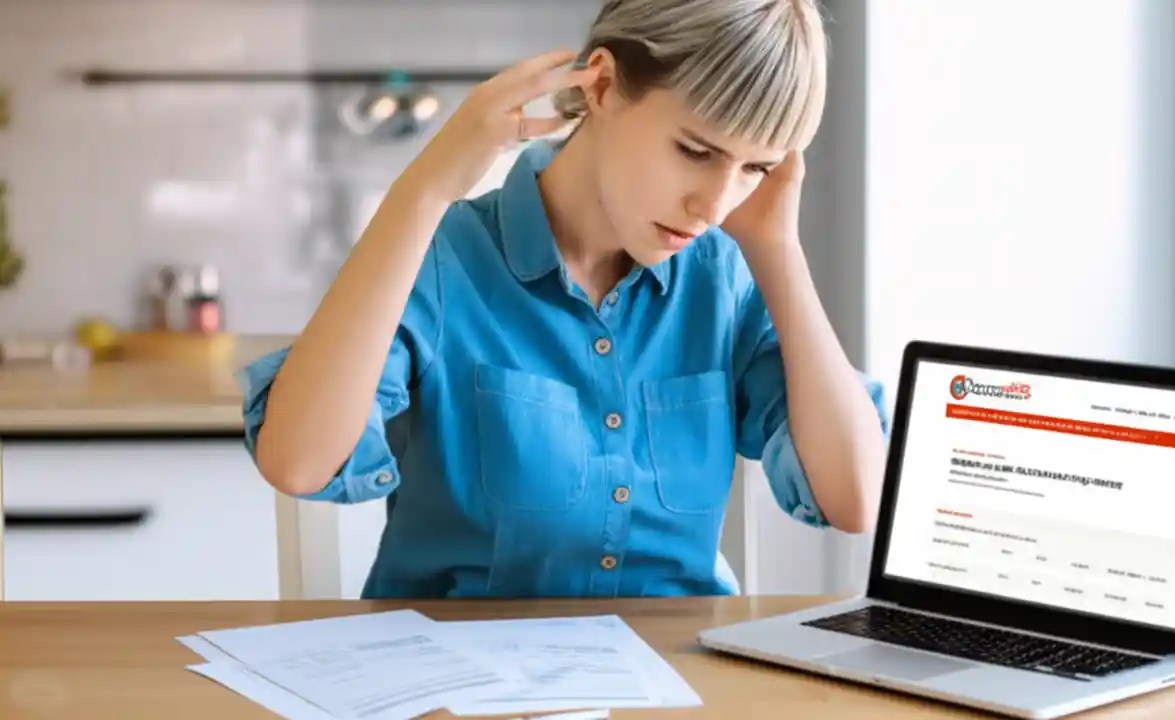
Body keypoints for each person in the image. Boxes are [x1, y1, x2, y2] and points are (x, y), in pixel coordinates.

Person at [237, 0, 890, 600]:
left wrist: (778, 249)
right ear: (601, 85)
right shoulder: (447, 257)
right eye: (695, 150)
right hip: (468, 681)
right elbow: (298, 464)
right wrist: (425, 190)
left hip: (674, 683)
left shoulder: (721, 275)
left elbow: (854, 501)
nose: (715, 205)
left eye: (756, 169)